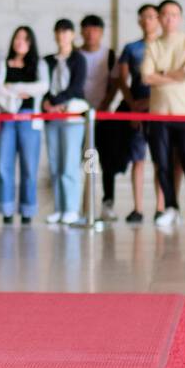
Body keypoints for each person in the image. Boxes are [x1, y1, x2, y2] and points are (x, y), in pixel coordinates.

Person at [141, 0, 185, 228]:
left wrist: (163, 73)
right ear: (159, 18)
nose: (169, 18)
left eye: (174, 14)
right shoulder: (153, 45)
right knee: (162, 162)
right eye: (165, 14)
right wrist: (175, 74)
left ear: (179, 18)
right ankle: (170, 206)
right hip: (159, 114)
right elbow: (146, 76)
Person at [0, 25, 47, 224]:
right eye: (18, 38)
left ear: (31, 43)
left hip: (30, 118)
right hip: (6, 117)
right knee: (4, 165)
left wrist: (13, 87)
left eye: (25, 39)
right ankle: (6, 208)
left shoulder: (39, 65)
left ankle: (28, 210)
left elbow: (42, 87)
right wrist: (18, 91)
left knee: (29, 166)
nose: (21, 42)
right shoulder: (3, 64)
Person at [115, 4, 164, 223]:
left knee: (160, 159)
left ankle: (161, 207)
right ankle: (138, 207)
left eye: (152, 17)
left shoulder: (166, 46)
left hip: (159, 106)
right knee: (138, 158)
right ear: (139, 20)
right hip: (135, 107)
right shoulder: (131, 48)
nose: (148, 21)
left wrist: (150, 102)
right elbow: (122, 80)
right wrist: (133, 104)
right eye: (144, 17)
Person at [41, 19, 88, 225]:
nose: (62, 36)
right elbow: (43, 85)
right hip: (51, 117)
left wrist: (55, 102)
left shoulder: (78, 59)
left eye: (66, 32)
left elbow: (76, 87)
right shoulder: (48, 60)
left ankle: (71, 208)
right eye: (59, 32)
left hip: (71, 116)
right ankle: (59, 208)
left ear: (72, 35)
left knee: (70, 163)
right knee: (55, 164)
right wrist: (47, 104)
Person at [77, 14, 121, 221]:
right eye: (87, 29)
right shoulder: (75, 56)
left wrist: (104, 105)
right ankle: (82, 204)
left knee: (106, 161)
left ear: (101, 32)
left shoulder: (109, 55)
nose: (91, 34)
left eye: (95, 30)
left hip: (102, 115)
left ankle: (107, 202)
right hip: (78, 116)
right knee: (82, 161)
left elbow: (115, 83)